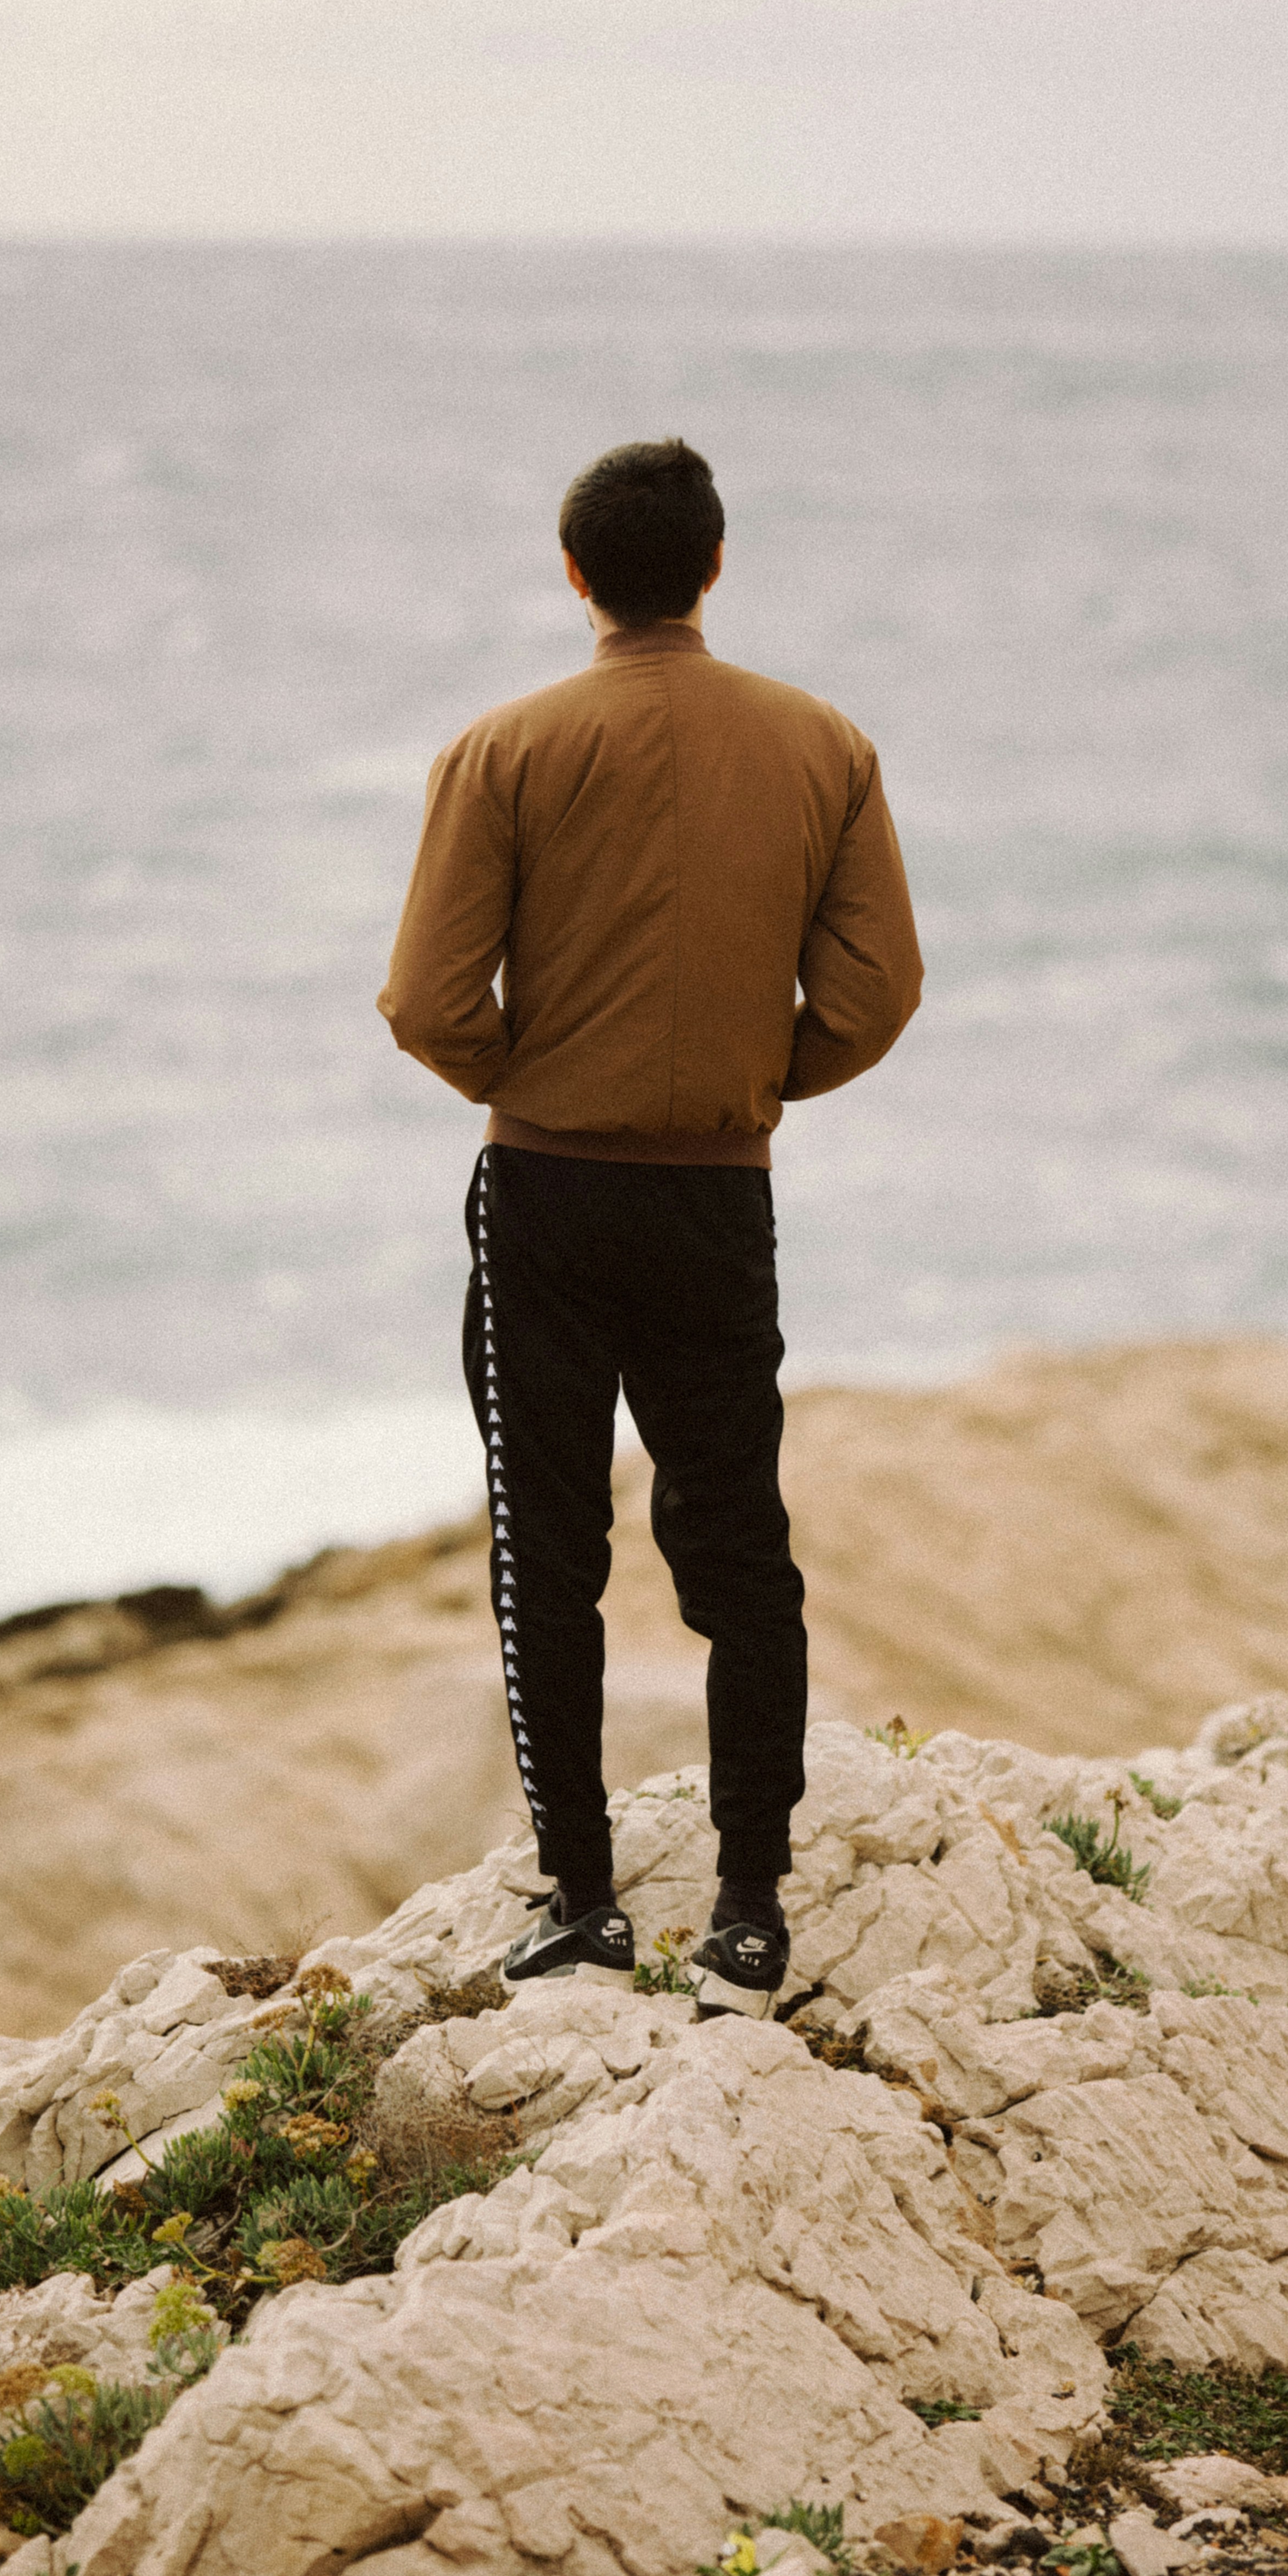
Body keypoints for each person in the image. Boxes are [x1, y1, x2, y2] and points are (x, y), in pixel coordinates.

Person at [378, 437, 921, 2014]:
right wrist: (755, 1085)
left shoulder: (503, 750)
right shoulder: (826, 746)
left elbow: (425, 1001)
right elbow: (878, 995)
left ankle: (585, 1896)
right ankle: (752, 1905)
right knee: (739, 1552)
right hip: (717, 1201)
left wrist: (534, 1078)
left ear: (576, 577)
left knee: (544, 1552)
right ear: (716, 565)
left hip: (545, 1192)